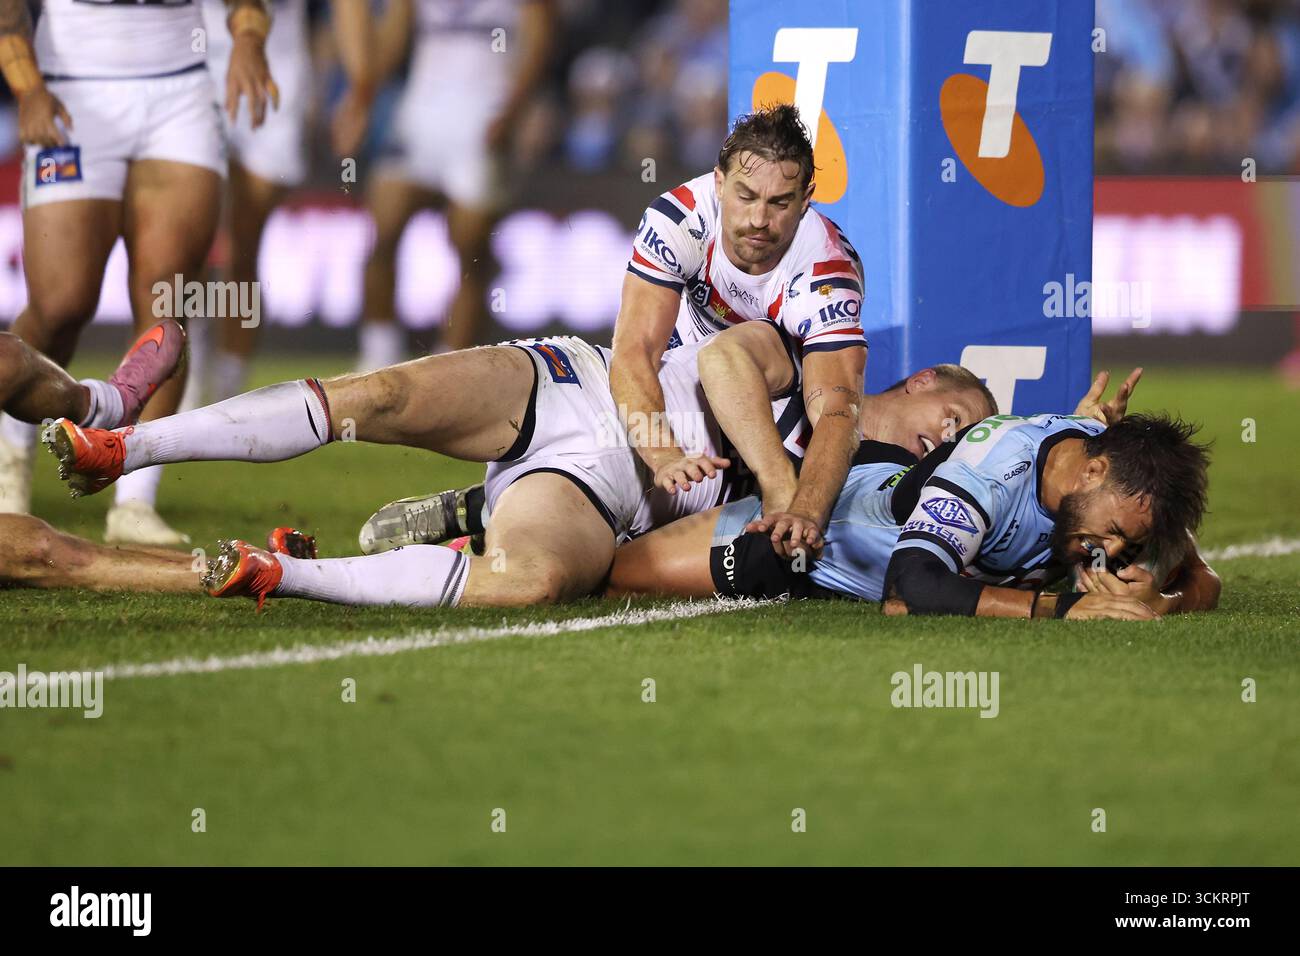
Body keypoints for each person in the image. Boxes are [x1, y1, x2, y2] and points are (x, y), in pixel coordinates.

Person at [0, 0, 277, 545]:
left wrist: (248, 40)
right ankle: (11, 460)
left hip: (180, 93)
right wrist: (27, 87)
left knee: (168, 301)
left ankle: (135, 500)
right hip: (69, 88)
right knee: (61, 304)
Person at [611, 104, 869, 559]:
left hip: (774, 397)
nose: (758, 221)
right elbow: (634, 350)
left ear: (806, 198)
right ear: (718, 183)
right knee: (612, 443)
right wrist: (663, 455)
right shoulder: (680, 220)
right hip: (682, 371)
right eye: (746, 196)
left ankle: (771, 490)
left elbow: (836, 408)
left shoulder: (826, 269)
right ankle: (485, 507)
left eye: (779, 203)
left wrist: (805, 512)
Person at [355, 0, 556, 368]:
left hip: (486, 113)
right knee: (382, 229)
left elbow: (539, 38)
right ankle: (376, 360)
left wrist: (513, 112)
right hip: (420, 113)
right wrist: (361, 98)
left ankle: (450, 368)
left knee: (470, 250)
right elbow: (396, 35)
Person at [197, 0, 374, 403]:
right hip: (194, 64)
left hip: (277, 71)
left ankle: (228, 384)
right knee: (188, 233)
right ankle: (184, 376)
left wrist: (361, 87)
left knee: (244, 242)